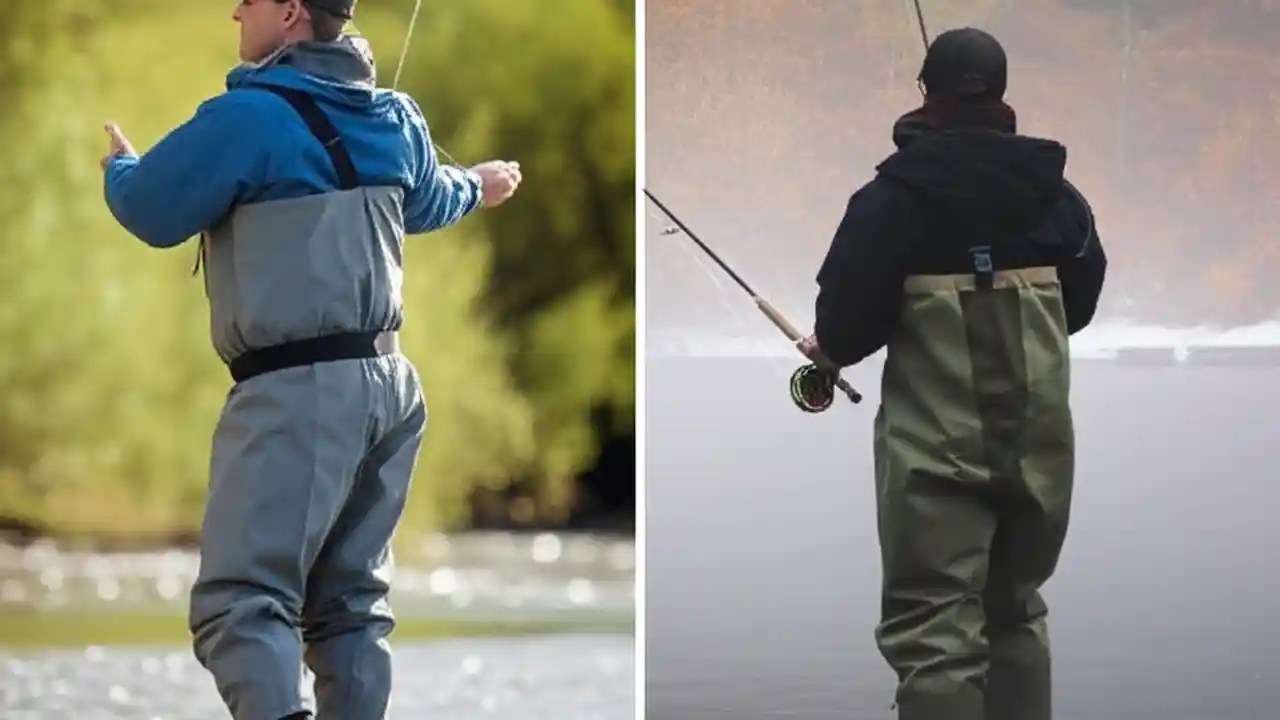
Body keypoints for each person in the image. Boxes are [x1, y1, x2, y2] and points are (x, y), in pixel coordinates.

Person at [99, 1, 521, 718]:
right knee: (349, 608)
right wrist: (477, 187)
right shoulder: (396, 117)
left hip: (297, 391)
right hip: (391, 392)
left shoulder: (248, 120)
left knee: (242, 602)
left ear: (291, 11)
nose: (236, 10)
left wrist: (120, 165)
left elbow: (150, 209)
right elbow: (427, 200)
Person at [797, 27, 1107, 720]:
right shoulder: (1060, 199)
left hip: (935, 451)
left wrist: (825, 354)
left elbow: (847, 325)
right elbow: (1078, 307)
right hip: (1039, 445)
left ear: (925, 92)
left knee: (934, 628)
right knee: (1017, 609)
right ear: (1000, 92)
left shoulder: (890, 200)